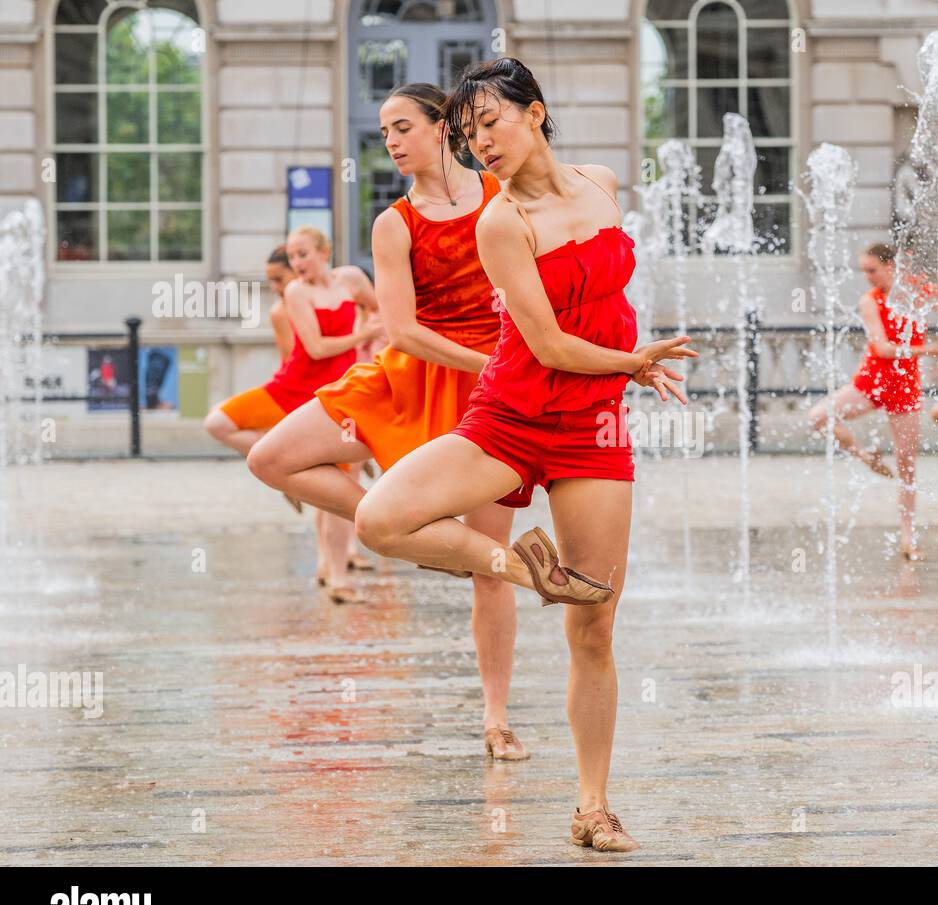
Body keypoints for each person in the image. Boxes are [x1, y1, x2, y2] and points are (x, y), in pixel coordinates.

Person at [352, 57, 695, 852]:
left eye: (491, 126)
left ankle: (592, 805)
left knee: (594, 625)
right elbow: (545, 342)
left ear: (535, 113)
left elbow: (603, 309)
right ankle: (516, 567)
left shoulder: (602, 182)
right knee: (380, 518)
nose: (481, 147)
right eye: (467, 138)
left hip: (593, 428)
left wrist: (626, 367)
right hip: (511, 412)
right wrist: (635, 363)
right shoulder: (500, 222)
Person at [248, 82, 531, 760]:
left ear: (443, 127)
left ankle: (496, 719)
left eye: (403, 127)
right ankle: (411, 531)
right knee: (270, 458)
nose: (393, 142)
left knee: (492, 565)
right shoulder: (394, 221)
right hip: (413, 374)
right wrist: (478, 357)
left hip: (493, 393)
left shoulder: (504, 194)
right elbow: (399, 330)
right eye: (384, 134)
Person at [206, 234, 383, 604]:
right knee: (218, 422)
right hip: (292, 390)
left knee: (334, 489)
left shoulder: (350, 278)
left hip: (339, 394)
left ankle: (335, 576)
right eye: (292, 256)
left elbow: (378, 307)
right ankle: (281, 468)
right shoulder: (294, 296)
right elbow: (312, 350)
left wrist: (368, 350)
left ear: (323, 252)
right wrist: (363, 335)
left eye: (301, 255)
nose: (297, 263)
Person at [808, 243, 938, 561]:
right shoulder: (869, 301)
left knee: (907, 465)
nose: (867, 277)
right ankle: (863, 454)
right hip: (871, 380)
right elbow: (884, 349)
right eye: (864, 271)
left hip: (904, 386)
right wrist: (931, 350)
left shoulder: (919, 293)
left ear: (891, 266)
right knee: (819, 417)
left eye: (872, 270)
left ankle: (907, 538)